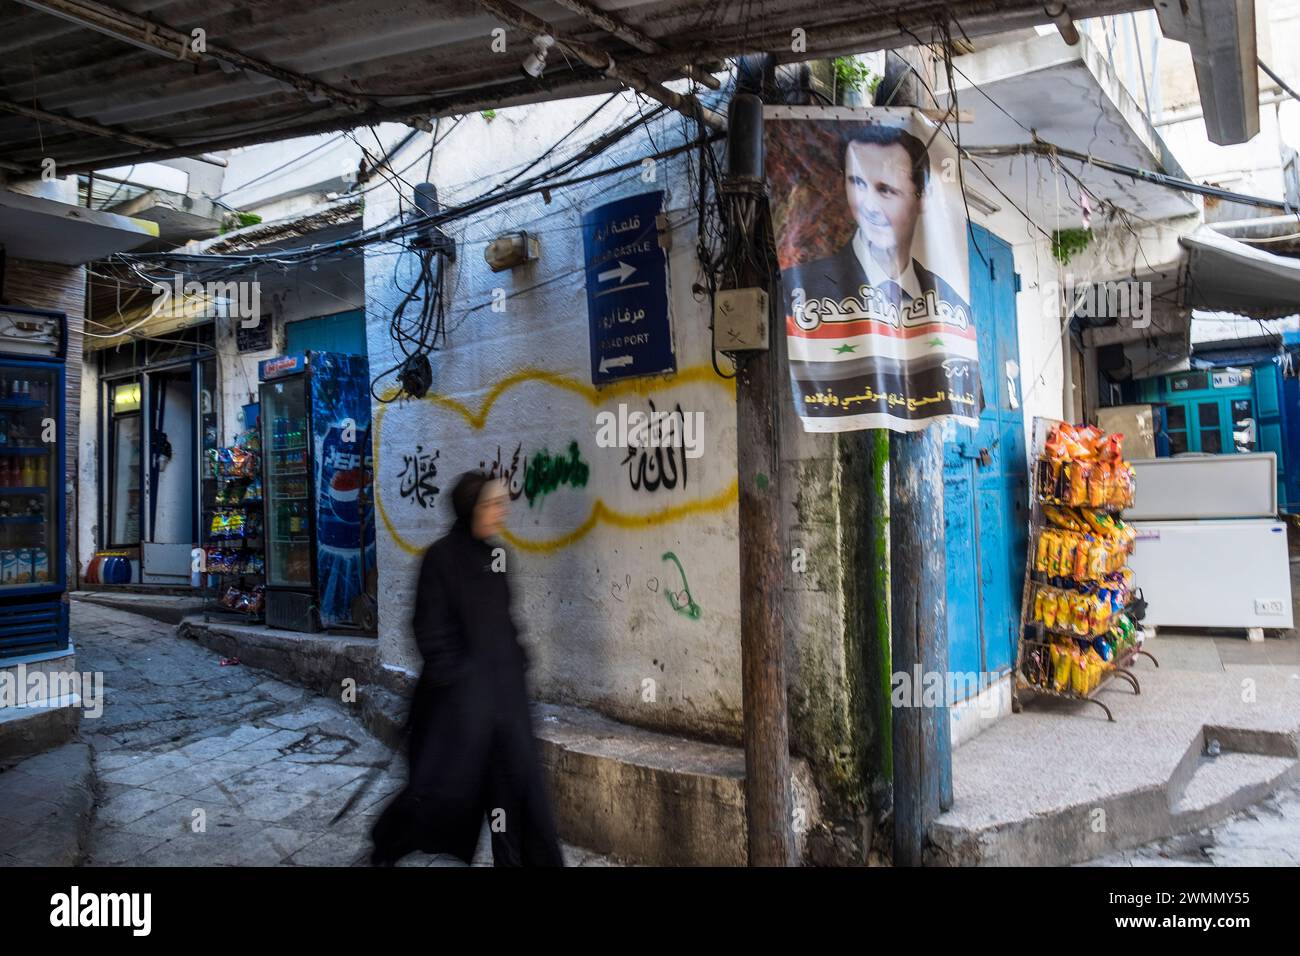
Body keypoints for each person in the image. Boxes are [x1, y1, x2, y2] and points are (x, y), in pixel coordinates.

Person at [370, 472, 564, 867]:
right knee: (441, 797)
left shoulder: (497, 557)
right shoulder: (440, 558)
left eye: (501, 503)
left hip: (504, 707)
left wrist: (517, 658)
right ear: (470, 509)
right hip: (458, 713)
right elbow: (429, 630)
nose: (500, 511)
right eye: (491, 504)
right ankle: (389, 845)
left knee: (512, 797)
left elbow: (503, 620)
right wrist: (462, 683)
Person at [783, 123, 970, 321]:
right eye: (858, 183)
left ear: (923, 197)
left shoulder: (952, 306)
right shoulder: (797, 289)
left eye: (886, 190)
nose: (869, 207)